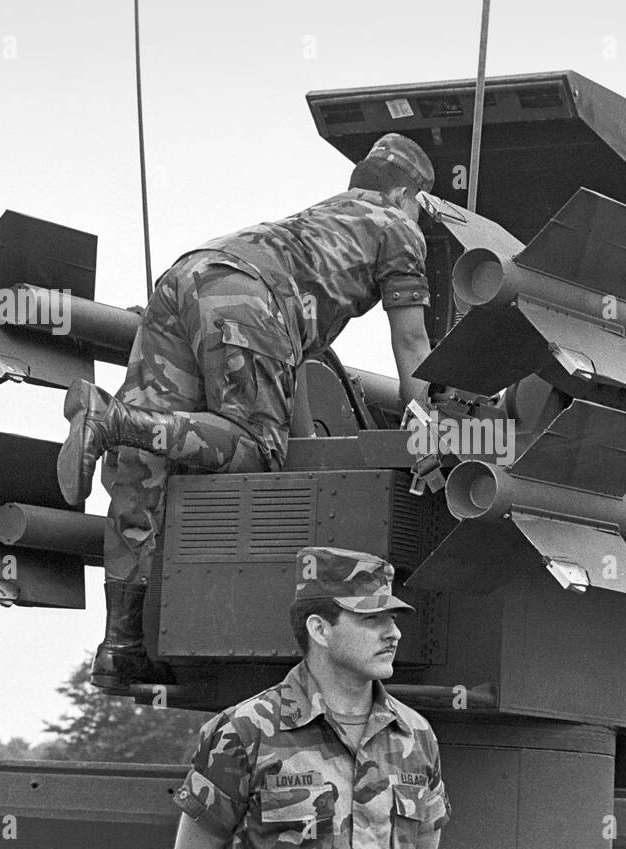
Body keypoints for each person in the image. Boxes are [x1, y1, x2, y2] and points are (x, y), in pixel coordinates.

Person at [56, 134, 437, 693]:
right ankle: (113, 421)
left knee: (142, 471)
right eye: (421, 206)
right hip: (250, 297)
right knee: (255, 448)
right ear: (406, 193)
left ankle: (120, 646)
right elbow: (411, 340)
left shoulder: (322, 216)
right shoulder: (397, 225)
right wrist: (429, 426)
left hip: (187, 275)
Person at [170, 546, 450, 849]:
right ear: (320, 630)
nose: (393, 633)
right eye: (371, 618)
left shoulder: (415, 734)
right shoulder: (247, 730)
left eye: (392, 619)